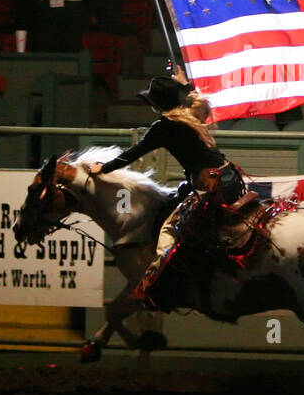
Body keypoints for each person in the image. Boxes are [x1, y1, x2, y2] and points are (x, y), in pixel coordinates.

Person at [88, 69, 248, 308]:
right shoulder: (189, 113)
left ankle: (149, 284)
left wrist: (104, 168)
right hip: (230, 178)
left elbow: (132, 154)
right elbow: (195, 99)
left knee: (169, 231)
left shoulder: (163, 127)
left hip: (210, 186)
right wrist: (185, 86)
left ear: (155, 105)